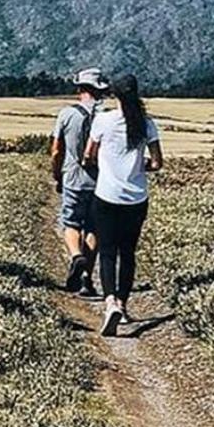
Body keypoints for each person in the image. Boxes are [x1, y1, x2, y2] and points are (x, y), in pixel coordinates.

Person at [83, 73, 162, 337]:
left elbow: (88, 155)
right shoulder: (147, 124)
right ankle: (124, 304)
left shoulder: (103, 121)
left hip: (106, 194)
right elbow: (157, 162)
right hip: (136, 197)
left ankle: (110, 303)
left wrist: (103, 166)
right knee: (128, 253)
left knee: (107, 252)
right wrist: (138, 168)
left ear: (114, 95)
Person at [50, 69, 108, 294]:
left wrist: (57, 174)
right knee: (93, 228)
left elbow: (56, 151)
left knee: (71, 224)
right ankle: (87, 280)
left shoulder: (66, 114)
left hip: (73, 178)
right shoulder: (107, 116)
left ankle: (76, 257)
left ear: (80, 89)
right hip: (100, 182)